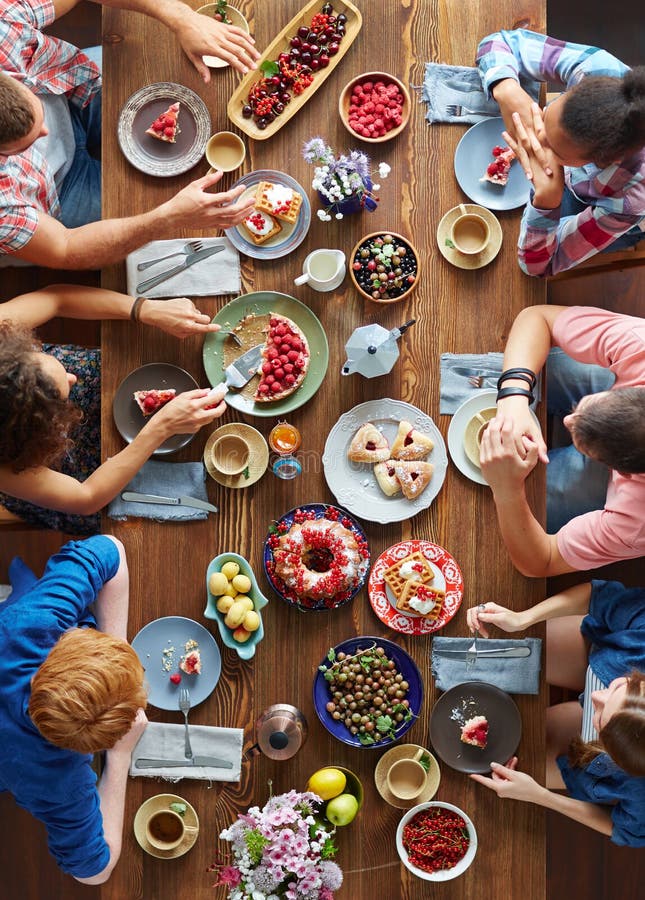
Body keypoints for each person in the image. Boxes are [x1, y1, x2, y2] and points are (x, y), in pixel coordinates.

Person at [0, 0, 259, 263]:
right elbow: (66, 248)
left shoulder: (3, 27)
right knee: (148, 207)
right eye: (26, 144)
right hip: (59, 193)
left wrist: (181, 17)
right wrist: (169, 217)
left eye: (39, 115)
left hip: (71, 88)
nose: (46, 131)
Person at [0, 284, 228, 532]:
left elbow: (57, 299)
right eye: (60, 397)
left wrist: (143, 308)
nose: (73, 378)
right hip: (78, 472)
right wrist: (160, 428)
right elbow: (86, 498)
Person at [0, 534, 149, 882]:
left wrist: (112, 656)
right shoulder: (56, 779)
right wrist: (121, 758)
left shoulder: (37, 621)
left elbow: (111, 548)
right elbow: (94, 872)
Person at [466, 580, 645, 846]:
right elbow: (598, 596)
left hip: (587, 752)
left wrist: (539, 795)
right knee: (511, 653)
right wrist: (523, 618)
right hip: (596, 652)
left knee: (513, 751)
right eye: (619, 686)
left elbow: (629, 832)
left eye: (601, 720)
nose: (595, 696)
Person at [479, 304, 645, 576]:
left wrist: (507, 490)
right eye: (580, 408)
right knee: (523, 368)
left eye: (585, 445)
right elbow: (538, 318)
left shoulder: (635, 522)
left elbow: (541, 561)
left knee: (520, 503)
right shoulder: (639, 345)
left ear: (623, 474)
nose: (568, 422)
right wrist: (513, 398)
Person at [476, 29, 645, 277]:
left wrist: (547, 201)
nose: (535, 139)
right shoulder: (595, 68)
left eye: (554, 150)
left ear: (604, 161)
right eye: (545, 118)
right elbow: (498, 41)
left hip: (616, 217)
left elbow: (539, 266)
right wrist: (506, 89)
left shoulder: (630, 201)